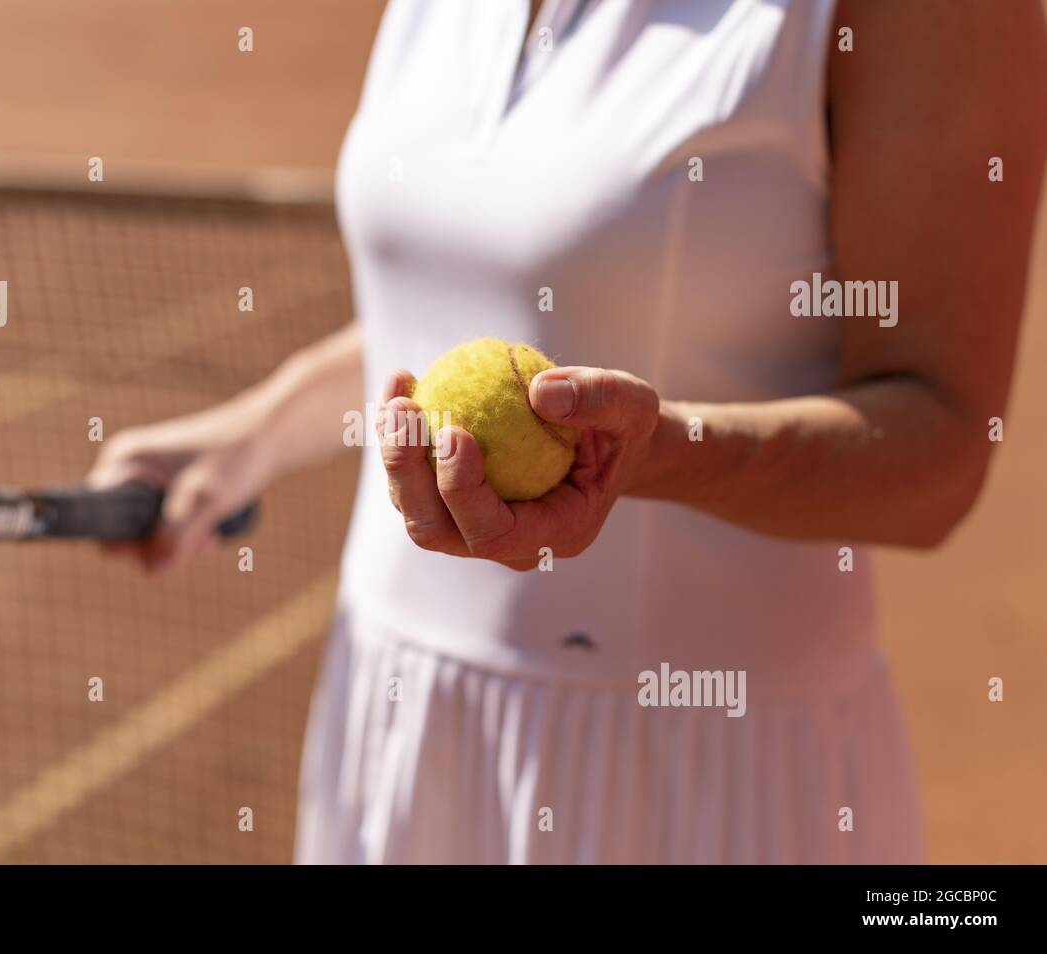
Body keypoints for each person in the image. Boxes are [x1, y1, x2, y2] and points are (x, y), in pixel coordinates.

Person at [89, 0, 1047, 863]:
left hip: (698, 775)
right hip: (398, 717)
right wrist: (253, 432)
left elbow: (939, 450)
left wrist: (658, 453)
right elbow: (458, 300)